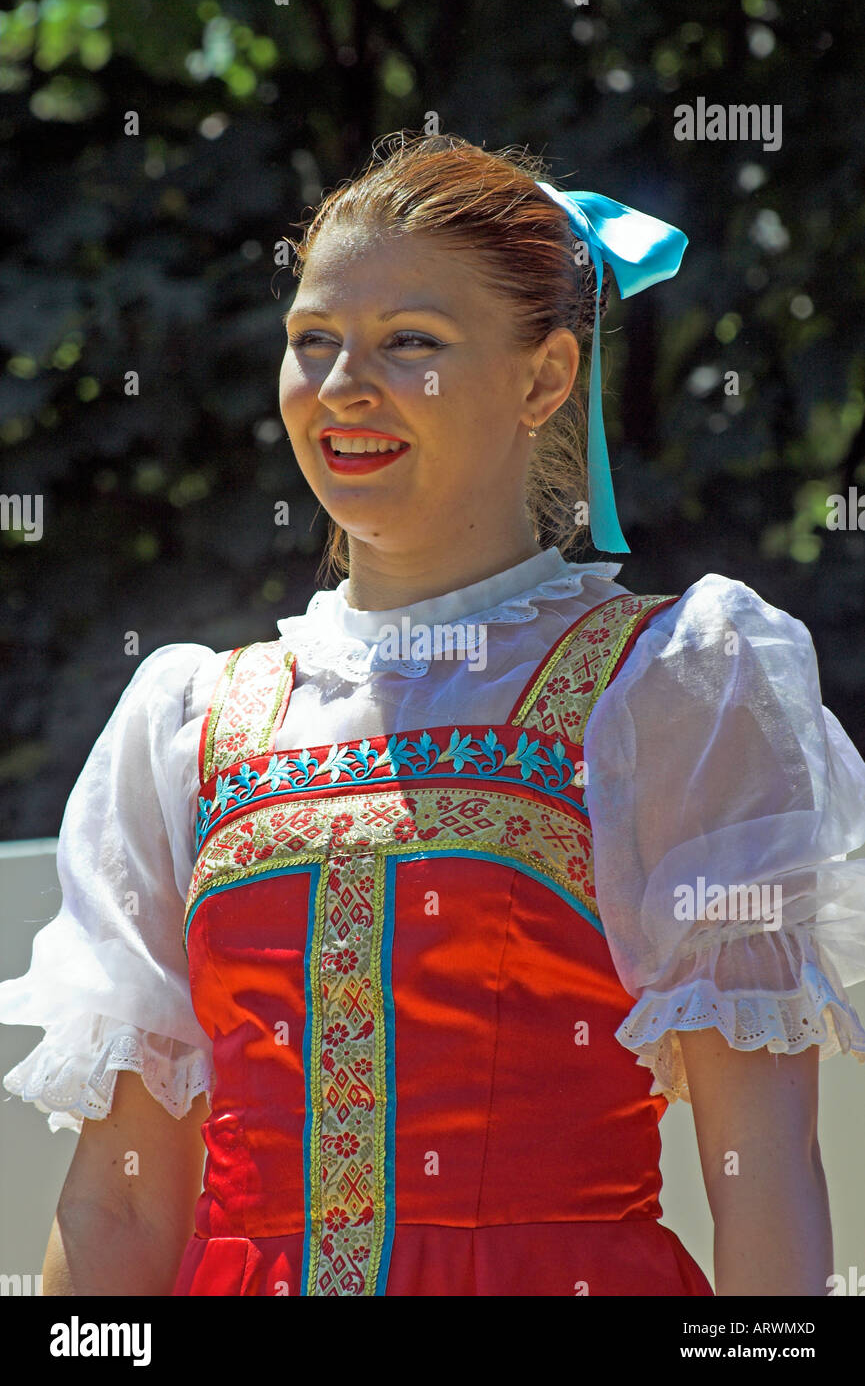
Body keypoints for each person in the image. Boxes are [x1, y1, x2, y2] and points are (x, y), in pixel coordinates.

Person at [2, 131, 864, 1297]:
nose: (343, 384)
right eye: (315, 340)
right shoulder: (188, 722)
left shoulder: (669, 686)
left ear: (544, 379)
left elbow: (759, 1170)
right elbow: (122, 1197)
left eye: (411, 342)